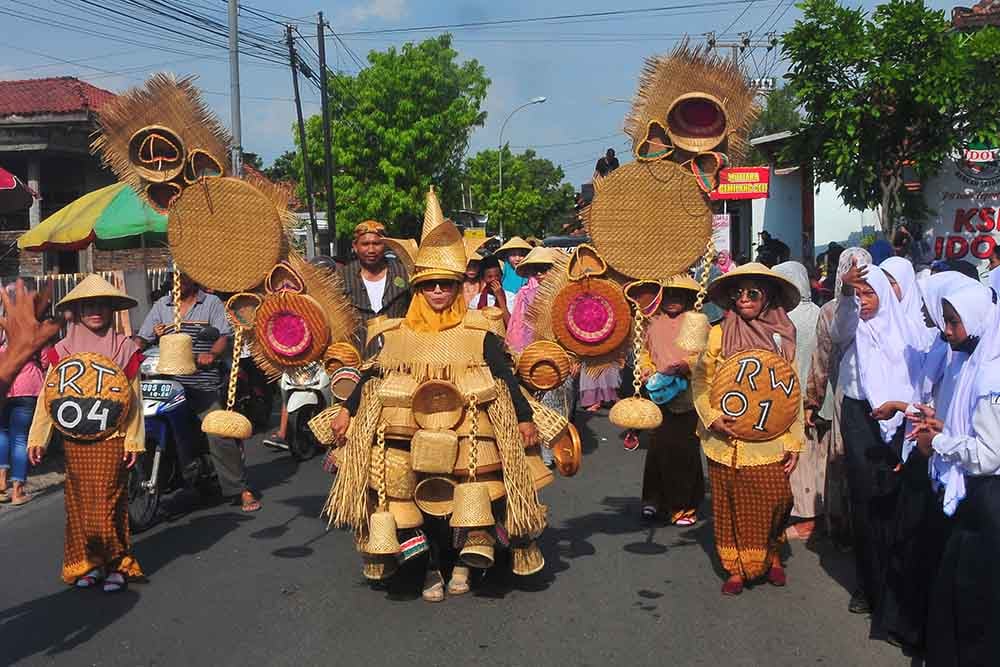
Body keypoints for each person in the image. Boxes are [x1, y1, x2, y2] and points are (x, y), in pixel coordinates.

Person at [324, 189, 547, 603]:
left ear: (457, 286)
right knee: (402, 489)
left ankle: (464, 559)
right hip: (405, 425)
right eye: (431, 286)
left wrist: (523, 417)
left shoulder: (481, 330)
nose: (440, 292)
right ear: (419, 290)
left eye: (447, 284)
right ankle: (427, 567)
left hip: (470, 428)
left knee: (472, 486)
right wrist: (347, 411)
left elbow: (504, 376)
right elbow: (373, 376)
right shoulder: (395, 332)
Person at [26, 275, 144, 591]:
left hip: (112, 439)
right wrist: (38, 437)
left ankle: (117, 563)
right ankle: (88, 564)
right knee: (79, 502)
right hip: (75, 440)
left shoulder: (124, 347)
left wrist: (134, 439)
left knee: (109, 500)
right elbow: (49, 397)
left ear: (111, 310)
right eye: (88, 306)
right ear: (78, 311)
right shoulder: (62, 349)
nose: (95, 311)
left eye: (101, 306)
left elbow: (134, 398)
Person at [692, 263, 802, 595]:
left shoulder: (782, 336)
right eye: (737, 293)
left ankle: (771, 553)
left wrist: (794, 443)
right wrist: (711, 417)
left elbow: (792, 390)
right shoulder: (717, 333)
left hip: (769, 441)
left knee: (776, 498)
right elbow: (700, 380)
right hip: (724, 440)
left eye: (752, 293)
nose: (744, 299)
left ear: (767, 297)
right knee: (728, 504)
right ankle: (736, 567)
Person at [834, 261, 931, 616]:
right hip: (862, 416)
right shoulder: (854, 326)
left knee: (896, 499)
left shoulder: (907, 331)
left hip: (901, 419)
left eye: (869, 292)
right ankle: (868, 585)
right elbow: (837, 330)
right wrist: (847, 294)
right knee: (864, 499)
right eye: (859, 293)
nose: (864, 300)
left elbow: (920, 380)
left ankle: (897, 585)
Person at [917, 280, 1000, 665]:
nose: (947, 331)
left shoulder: (989, 377)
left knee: (975, 606)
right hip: (979, 501)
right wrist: (943, 428)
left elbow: (988, 454)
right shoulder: (975, 362)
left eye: (954, 322)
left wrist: (939, 443)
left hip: (988, 505)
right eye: (945, 321)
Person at [137, 273, 260, 513]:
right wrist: (134, 347)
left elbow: (224, 336)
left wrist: (211, 355)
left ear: (193, 279)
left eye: (182, 278)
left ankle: (240, 488)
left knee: (217, 432)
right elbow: (143, 337)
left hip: (202, 384)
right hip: (167, 384)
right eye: (174, 278)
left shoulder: (211, 303)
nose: (178, 283)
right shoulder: (162, 305)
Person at [806, 248, 872, 547]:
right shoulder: (877, 307)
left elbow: (821, 361)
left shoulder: (832, 310)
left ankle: (842, 526)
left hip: (843, 395)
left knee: (841, 458)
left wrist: (813, 401)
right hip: (867, 396)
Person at [639, 275, 704, 525]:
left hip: (687, 396)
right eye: (668, 294)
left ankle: (685, 505)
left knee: (686, 450)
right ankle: (653, 501)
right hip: (658, 394)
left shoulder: (696, 323)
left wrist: (684, 365)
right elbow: (643, 351)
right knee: (657, 448)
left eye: (679, 295)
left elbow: (705, 358)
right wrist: (646, 369)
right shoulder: (651, 322)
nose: (673, 300)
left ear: (688, 297)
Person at [774, 261, 823, 541]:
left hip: (798, 400)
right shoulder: (816, 313)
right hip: (809, 398)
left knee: (802, 459)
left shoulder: (790, 318)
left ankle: (807, 519)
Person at [0, 286, 49, 506]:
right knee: (20, 438)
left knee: (2, 433)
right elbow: (47, 359)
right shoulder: (34, 327)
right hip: (28, 386)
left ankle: (1, 484)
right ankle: (17, 491)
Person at [341, 220, 411, 348]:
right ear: (355, 247)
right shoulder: (342, 278)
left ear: (385, 245)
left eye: (377, 243)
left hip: (398, 353)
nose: (371, 249)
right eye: (365, 244)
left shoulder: (403, 274)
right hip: (359, 354)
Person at [0, 279, 60, 400]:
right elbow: (54, 361)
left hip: (22, 390)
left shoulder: (37, 330)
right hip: (22, 389)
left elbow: (54, 361)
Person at [470, 255, 514, 325]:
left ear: (501, 276)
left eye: (497, 276)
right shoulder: (476, 300)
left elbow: (511, 325)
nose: (494, 279)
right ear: (483, 278)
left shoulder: (511, 297)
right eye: (489, 277)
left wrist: (500, 297)